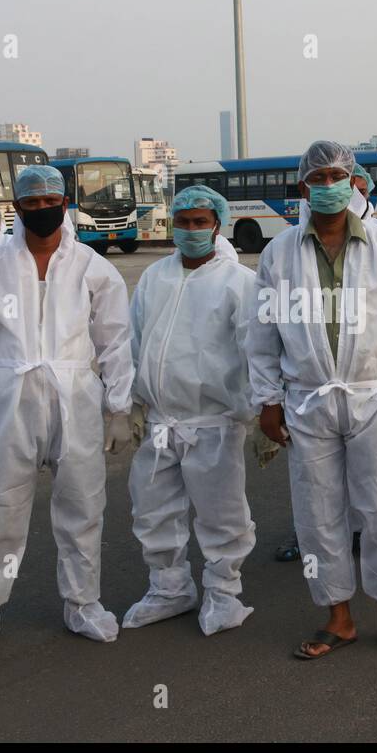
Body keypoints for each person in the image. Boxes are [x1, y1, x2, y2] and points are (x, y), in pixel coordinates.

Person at [0, 164, 136, 657]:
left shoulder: (93, 267)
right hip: (11, 395)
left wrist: (119, 406)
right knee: (0, 505)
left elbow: (114, 341)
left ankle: (82, 602)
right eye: (34, 203)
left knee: (82, 506)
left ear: (65, 204)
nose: (44, 210)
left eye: (53, 202)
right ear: (19, 207)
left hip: (76, 396)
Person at [247, 140, 377, 659]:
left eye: (336, 177)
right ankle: (339, 617)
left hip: (374, 395)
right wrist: (267, 400)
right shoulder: (279, 252)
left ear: (355, 183)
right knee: (317, 511)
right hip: (307, 400)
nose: (327, 187)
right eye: (317, 179)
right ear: (302, 187)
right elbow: (262, 335)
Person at [121, 186, 267, 636]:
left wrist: (263, 411)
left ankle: (224, 594)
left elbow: (257, 350)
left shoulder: (238, 281)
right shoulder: (155, 276)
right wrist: (132, 401)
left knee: (221, 513)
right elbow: (136, 339)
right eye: (182, 223)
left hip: (215, 421)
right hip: (161, 420)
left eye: (200, 222)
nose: (190, 231)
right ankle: (169, 589)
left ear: (217, 224)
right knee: (152, 509)